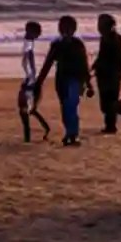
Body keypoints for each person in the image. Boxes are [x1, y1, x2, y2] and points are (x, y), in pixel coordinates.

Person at [35, 15, 93, 146]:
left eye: (69, 28)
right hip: (61, 80)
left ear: (74, 29)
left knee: (71, 106)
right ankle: (69, 132)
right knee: (65, 108)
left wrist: (89, 84)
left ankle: (74, 134)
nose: (65, 30)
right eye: (63, 28)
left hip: (76, 80)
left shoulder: (78, 44)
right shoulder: (57, 45)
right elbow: (48, 63)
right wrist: (40, 81)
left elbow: (84, 64)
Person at [91, 14, 121, 134]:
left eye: (100, 25)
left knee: (108, 102)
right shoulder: (103, 39)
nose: (98, 27)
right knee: (106, 102)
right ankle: (110, 126)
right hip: (104, 73)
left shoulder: (116, 38)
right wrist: (93, 67)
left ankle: (120, 108)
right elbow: (101, 56)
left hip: (113, 74)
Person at [18, 21, 51, 142]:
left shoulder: (28, 44)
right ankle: (46, 129)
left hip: (29, 80)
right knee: (30, 110)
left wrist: (31, 78)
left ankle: (28, 137)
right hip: (30, 79)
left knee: (25, 110)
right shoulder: (29, 43)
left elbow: (28, 61)